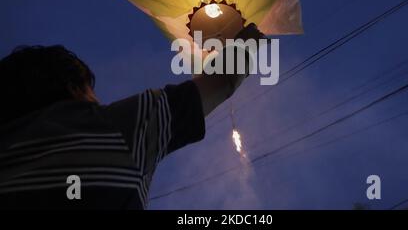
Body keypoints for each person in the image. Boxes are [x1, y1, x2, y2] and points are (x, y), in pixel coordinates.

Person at [0, 24, 265, 210]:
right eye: (93, 95)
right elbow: (221, 82)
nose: (99, 102)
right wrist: (252, 36)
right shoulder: (110, 131)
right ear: (73, 87)